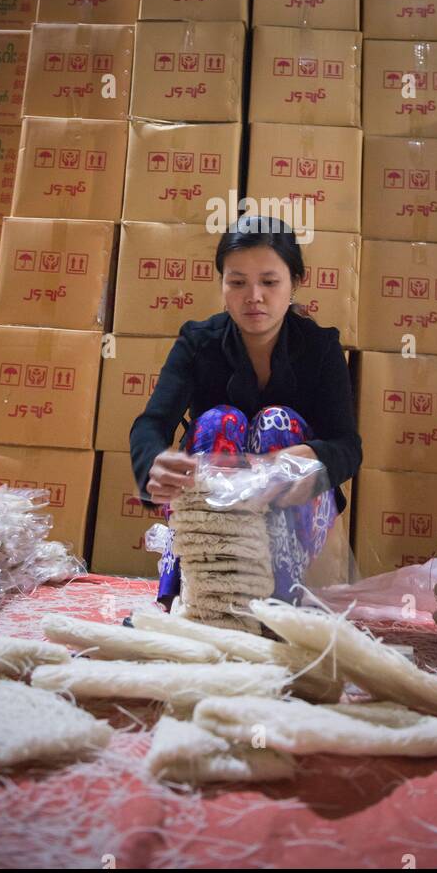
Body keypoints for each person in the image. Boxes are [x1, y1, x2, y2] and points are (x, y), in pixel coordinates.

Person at [129, 216, 362, 608]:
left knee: (277, 423)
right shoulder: (197, 342)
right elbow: (151, 423)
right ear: (222, 284)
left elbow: (348, 447)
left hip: (292, 505)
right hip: (211, 513)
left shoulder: (321, 349)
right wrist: (154, 461)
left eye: (269, 282)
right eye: (237, 282)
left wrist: (309, 457)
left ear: (295, 284)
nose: (253, 296)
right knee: (222, 420)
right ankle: (189, 586)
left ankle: (279, 595)